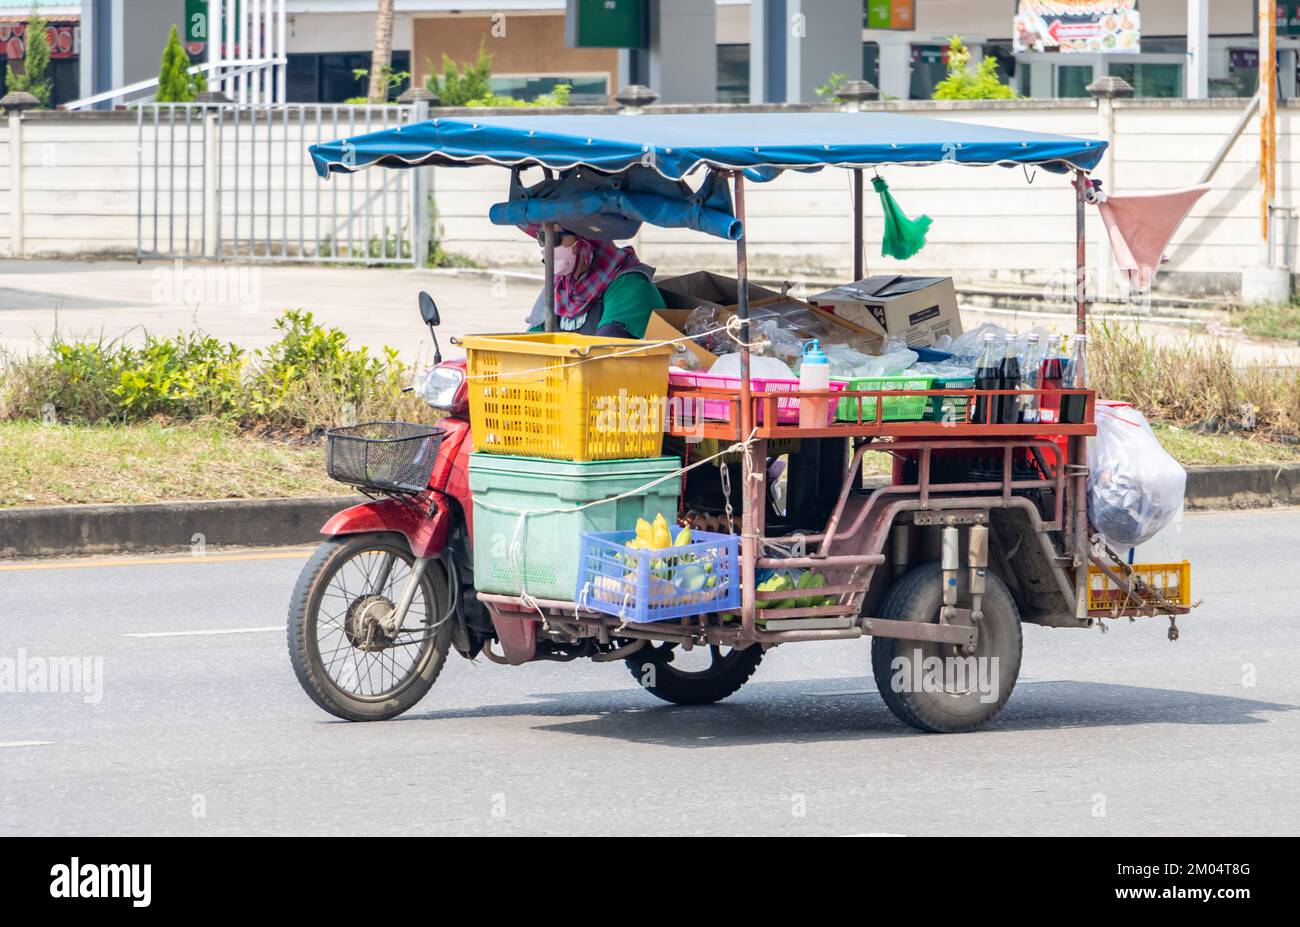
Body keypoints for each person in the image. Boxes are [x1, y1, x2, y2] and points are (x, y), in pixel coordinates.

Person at [525, 226, 665, 338]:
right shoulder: (556, 285)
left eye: (554, 239)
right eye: (543, 238)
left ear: (583, 239)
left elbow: (604, 350)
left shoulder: (629, 284)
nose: (546, 248)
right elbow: (531, 342)